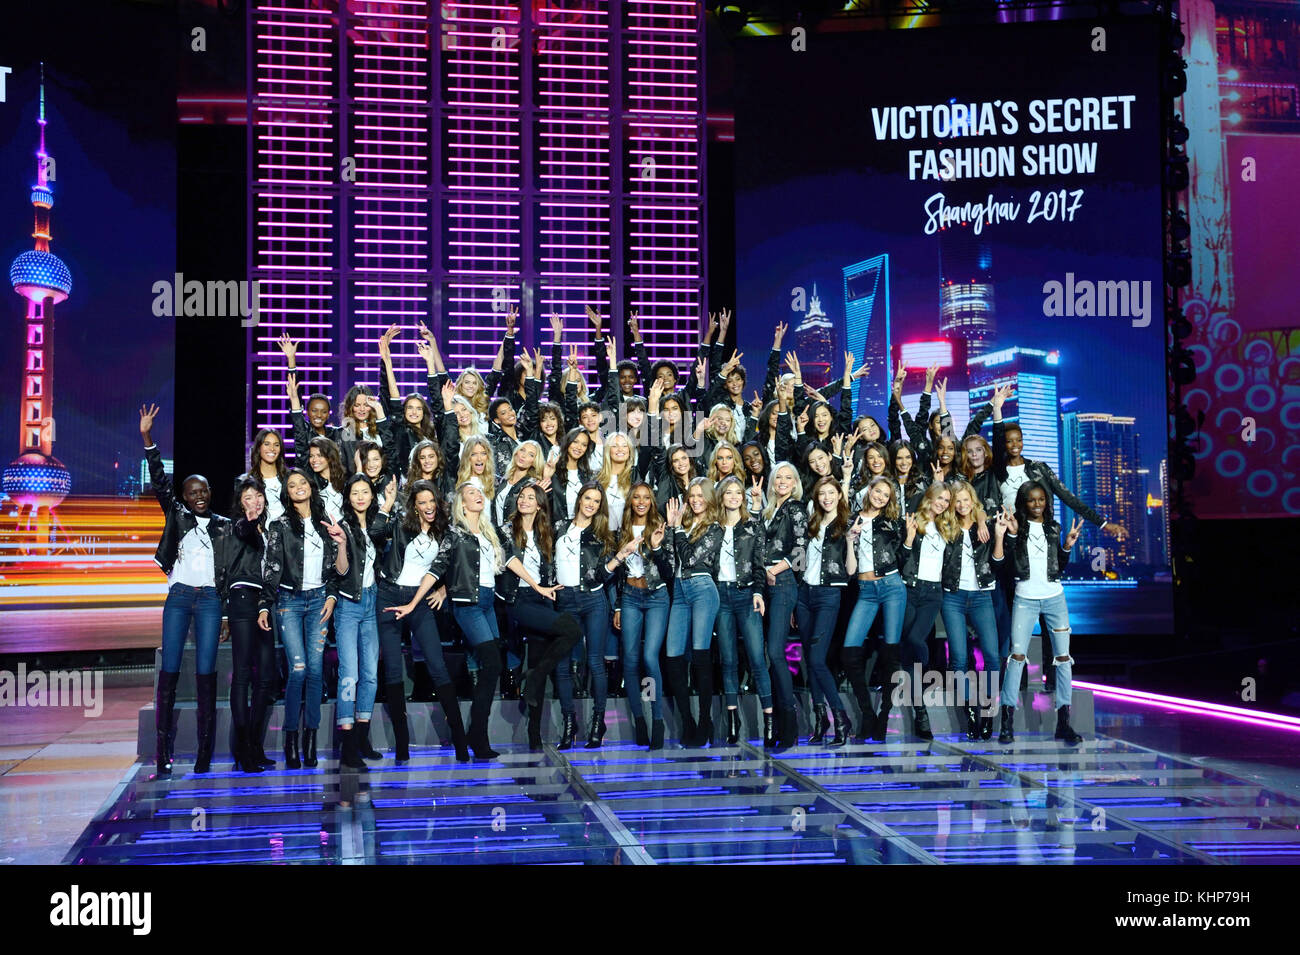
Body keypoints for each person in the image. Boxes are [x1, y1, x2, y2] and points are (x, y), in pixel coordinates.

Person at [141, 404, 236, 777]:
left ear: (210, 493)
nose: (198, 495)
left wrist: (226, 610)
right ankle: (162, 752)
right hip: (179, 598)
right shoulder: (177, 514)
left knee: (206, 672)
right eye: (191, 491)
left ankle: (203, 752)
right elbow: (160, 479)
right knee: (170, 669)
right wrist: (148, 438)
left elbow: (228, 571)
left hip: (211, 601)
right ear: (183, 496)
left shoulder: (224, 526)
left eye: (203, 491)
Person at [393, 483, 512, 759]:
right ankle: (476, 735)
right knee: (492, 662)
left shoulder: (488, 530)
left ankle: (477, 732)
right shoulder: (454, 531)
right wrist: (422, 598)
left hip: (487, 601)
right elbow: (441, 565)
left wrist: (538, 586)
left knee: (493, 666)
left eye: (480, 493)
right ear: (461, 502)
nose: (478, 495)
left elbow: (511, 559)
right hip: (467, 604)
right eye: (471, 493)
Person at [258, 468, 349, 769]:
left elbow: (337, 569)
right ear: (287, 492)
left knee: (314, 670)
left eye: (302, 482)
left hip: (320, 600)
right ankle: (290, 739)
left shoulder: (327, 524)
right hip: (289, 602)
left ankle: (310, 740)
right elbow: (271, 568)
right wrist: (263, 605)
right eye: (291, 484)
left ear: (311, 487)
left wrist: (333, 596)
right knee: (297, 669)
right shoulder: (279, 525)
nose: (298, 487)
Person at [992, 484, 1086, 745]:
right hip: (1025, 598)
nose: (1037, 504)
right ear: (1024, 502)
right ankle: (1007, 723)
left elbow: (1059, 566)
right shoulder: (1018, 528)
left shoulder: (1054, 528)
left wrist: (1066, 547)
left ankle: (1064, 723)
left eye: (1041, 499)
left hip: (1055, 598)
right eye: (1032, 500)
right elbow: (1003, 565)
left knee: (1063, 659)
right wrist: (1009, 535)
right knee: (1017, 657)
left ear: (1046, 502)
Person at [498, 483, 583, 750]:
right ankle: (533, 678)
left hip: (543, 599)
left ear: (539, 505)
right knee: (572, 630)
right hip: (519, 599)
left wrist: (547, 588)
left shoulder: (546, 531)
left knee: (537, 664)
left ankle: (534, 735)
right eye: (521, 496)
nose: (524, 500)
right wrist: (537, 586)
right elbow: (510, 560)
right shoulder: (505, 530)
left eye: (530, 498)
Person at [334, 473, 398, 769]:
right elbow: (342, 570)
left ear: (373, 496)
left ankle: (362, 737)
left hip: (372, 601)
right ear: (348, 497)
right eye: (355, 492)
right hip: (348, 604)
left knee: (371, 674)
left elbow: (381, 540)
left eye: (365, 492)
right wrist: (342, 545)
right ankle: (347, 745)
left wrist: (391, 502)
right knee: (350, 674)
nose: (360, 496)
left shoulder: (375, 526)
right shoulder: (342, 526)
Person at [843, 476, 908, 741]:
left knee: (891, 653)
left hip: (892, 586)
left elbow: (904, 555)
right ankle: (867, 713)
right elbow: (850, 570)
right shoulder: (853, 520)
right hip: (866, 590)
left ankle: (884, 715)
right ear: (869, 490)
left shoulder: (893, 522)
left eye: (886, 495)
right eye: (877, 491)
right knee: (849, 652)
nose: (880, 497)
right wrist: (849, 540)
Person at [611, 481, 674, 748]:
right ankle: (639, 721)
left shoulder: (660, 527)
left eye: (646, 497)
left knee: (650, 657)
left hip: (657, 596)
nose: (641, 501)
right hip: (630, 597)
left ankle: (657, 720)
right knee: (631, 660)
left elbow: (669, 570)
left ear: (651, 501)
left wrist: (656, 546)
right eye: (636, 497)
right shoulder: (621, 530)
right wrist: (616, 605)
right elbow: (614, 572)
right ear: (630, 502)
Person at [663, 478, 724, 746]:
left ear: (710, 498)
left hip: (702, 588)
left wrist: (676, 531)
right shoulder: (682, 525)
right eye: (692, 495)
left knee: (701, 655)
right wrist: (669, 531)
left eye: (701, 495)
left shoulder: (714, 528)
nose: (696, 500)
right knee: (673, 655)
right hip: (679, 589)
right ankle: (687, 720)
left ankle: (705, 720)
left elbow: (689, 559)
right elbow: (668, 558)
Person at [714, 476, 772, 745]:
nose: (734, 496)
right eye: (729, 492)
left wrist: (759, 592)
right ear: (722, 496)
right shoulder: (712, 527)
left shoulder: (752, 526)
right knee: (728, 661)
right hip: (720, 596)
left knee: (757, 659)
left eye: (739, 492)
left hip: (746, 594)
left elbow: (759, 564)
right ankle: (733, 722)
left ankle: (769, 721)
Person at [796, 476, 853, 747]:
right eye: (822, 494)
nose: (827, 498)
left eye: (832, 493)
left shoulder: (847, 524)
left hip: (830, 594)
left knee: (818, 659)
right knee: (810, 660)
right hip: (805, 593)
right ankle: (821, 721)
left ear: (840, 495)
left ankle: (841, 718)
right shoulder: (812, 523)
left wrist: (851, 543)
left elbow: (851, 570)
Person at [227, 477, 276, 773]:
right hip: (243, 597)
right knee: (243, 673)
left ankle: (255, 744)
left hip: (264, 602)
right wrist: (250, 520)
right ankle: (243, 748)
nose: (254, 501)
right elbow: (244, 531)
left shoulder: (269, 527)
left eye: (258, 496)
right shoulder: (238, 524)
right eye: (248, 497)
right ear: (240, 501)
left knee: (267, 676)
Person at [761, 461, 807, 749]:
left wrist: (774, 571)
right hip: (764, 585)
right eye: (779, 477)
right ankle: (776, 724)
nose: (783, 481)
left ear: (795, 482)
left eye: (789, 477)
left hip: (783, 581)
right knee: (769, 654)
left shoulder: (796, 508)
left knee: (777, 653)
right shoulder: (769, 510)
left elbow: (800, 552)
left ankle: (789, 726)